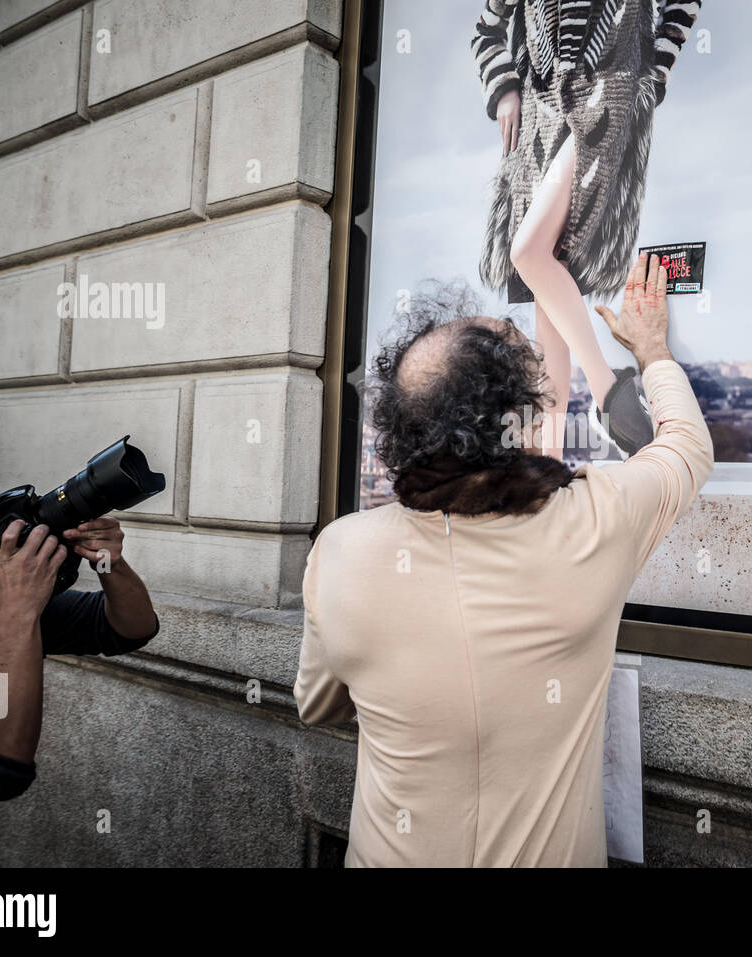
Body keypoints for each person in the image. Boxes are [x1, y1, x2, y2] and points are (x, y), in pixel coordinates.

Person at [295, 252, 713, 866]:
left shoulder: (340, 549)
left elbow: (318, 706)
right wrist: (652, 351)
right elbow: (686, 446)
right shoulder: (595, 518)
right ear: (521, 421)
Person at [472, 0, 703, 458]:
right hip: (539, 116)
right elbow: (486, 28)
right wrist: (504, 89)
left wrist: (650, 80)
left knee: (528, 252)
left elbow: (682, 8)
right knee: (548, 302)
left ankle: (605, 386)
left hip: (608, 96)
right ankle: (550, 465)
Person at [0, 472, 159, 866]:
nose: (3, 536)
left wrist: (109, 562)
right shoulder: (7, 612)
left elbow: (130, 627)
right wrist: (19, 611)